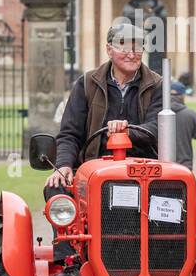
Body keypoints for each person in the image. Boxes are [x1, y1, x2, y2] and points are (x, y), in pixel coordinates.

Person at [49, 19, 163, 190]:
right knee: (55, 188)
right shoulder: (87, 83)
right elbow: (69, 134)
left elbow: (158, 128)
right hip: (94, 168)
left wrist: (127, 130)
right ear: (109, 50)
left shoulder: (157, 84)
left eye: (137, 47)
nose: (131, 54)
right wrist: (63, 165)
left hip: (144, 171)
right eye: (123, 47)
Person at [169, 80, 196, 171]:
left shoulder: (156, 112)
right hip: (184, 164)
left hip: (161, 165)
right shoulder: (191, 114)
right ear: (183, 96)